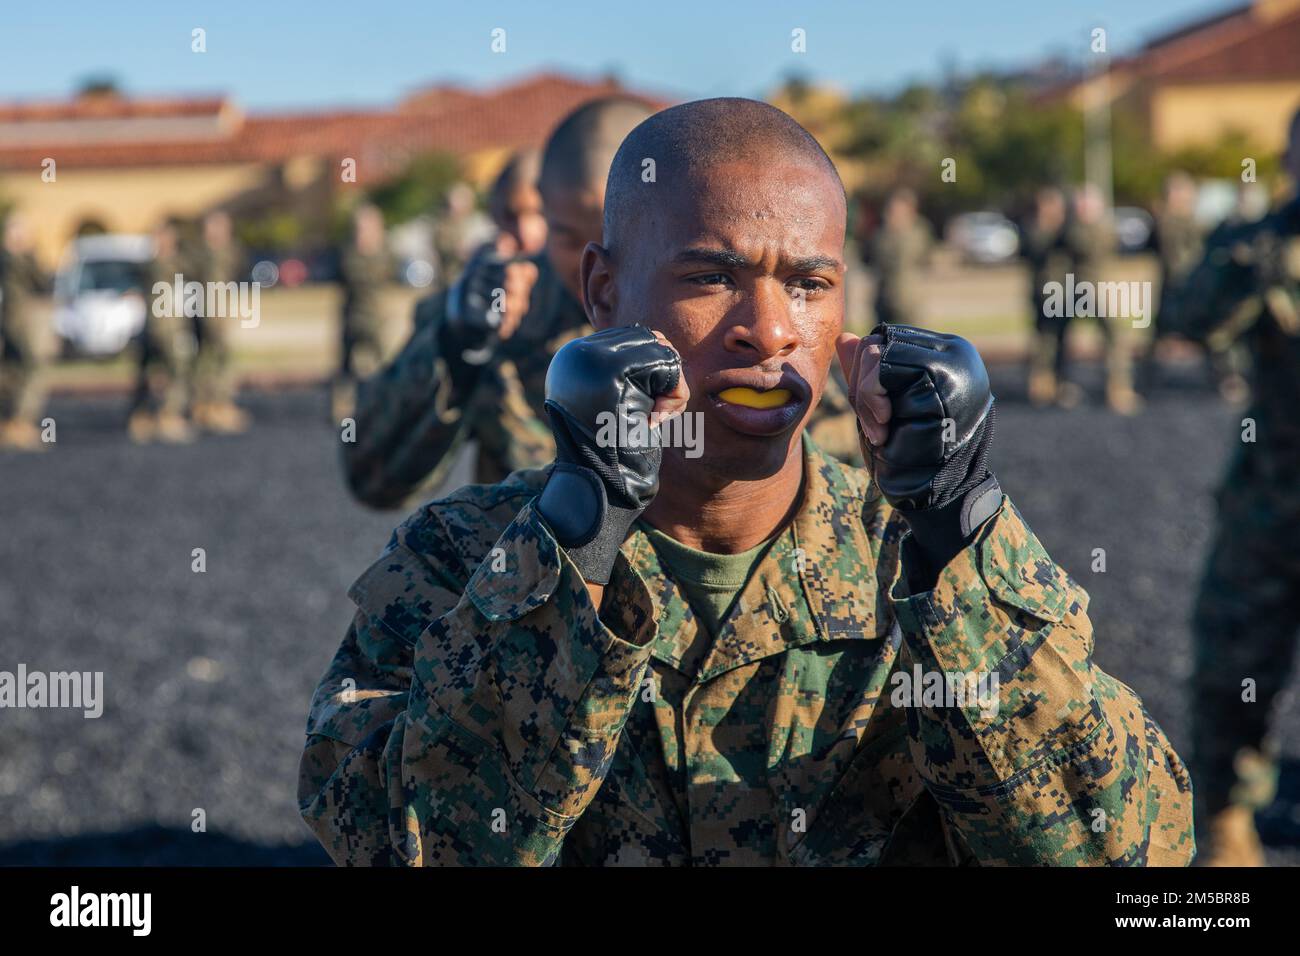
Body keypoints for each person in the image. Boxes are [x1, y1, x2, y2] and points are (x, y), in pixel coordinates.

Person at [300, 98, 1193, 867]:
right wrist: (570, 549)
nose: (768, 332)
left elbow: (1128, 854)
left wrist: (960, 530)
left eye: (809, 283)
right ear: (603, 293)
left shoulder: (918, 563)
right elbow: (395, 839)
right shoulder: (457, 559)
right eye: (709, 277)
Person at [340, 98, 644, 509]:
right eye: (570, 239)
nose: (594, 266)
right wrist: (455, 347)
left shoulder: (713, 314)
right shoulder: (502, 313)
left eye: (613, 239)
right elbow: (372, 478)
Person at [1172, 107, 1300, 867]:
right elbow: (1190, 318)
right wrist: (1257, 259)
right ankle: (1225, 820)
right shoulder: (1260, 242)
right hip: (1271, 499)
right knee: (1233, 665)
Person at [1063, 185, 1141, 414]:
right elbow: (1091, 246)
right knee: (1063, 336)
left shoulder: (1094, 228)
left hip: (1096, 288)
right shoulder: (1079, 230)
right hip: (1084, 288)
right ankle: (1065, 385)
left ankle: (1116, 388)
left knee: (1113, 337)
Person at [128, 218, 194, 444]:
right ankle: (165, 416)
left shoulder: (168, 263)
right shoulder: (158, 264)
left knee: (160, 370)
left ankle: (151, 415)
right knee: (171, 369)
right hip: (162, 327)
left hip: (168, 324)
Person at [1139, 172, 1205, 391]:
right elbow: (1152, 245)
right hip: (1169, 284)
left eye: (1179, 192)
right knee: (1159, 333)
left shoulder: (1193, 221)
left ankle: (1223, 378)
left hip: (1192, 284)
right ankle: (1148, 379)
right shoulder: (1163, 221)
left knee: (1208, 329)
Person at [190, 210, 249, 434]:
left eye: (222, 227)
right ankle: (205, 406)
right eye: (213, 227)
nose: (217, 232)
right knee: (207, 360)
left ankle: (221, 405)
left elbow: (237, 272)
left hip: (221, 310)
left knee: (222, 359)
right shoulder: (200, 253)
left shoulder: (232, 250)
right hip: (204, 311)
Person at [332, 204, 392, 422]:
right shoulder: (348, 252)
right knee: (346, 367)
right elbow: (352, 276)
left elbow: (385, 274)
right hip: (352, 315)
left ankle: (379, 405)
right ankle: (341, 410)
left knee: (380, 364)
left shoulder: (384, 251)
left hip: (375, 316)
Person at [0, 214, 51, 451]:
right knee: (32, 366)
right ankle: (20, 420)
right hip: (17, 322)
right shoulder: (10, 259)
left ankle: (12, 421)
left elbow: (43, 282)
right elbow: (40, 281)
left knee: (13, 368)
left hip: (16, 321)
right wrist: (27, 251)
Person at [1021, 187, 1073, 407]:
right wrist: (1046, 224)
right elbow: (1035, 249)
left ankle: (1060, 383)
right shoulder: (1033, 229)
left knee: (1061, 340)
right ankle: (1040, 385)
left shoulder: (1068, 230)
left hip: (1063, 293)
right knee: (1043, 341)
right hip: (1042, 294)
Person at [862, 187, 932, 327]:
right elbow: (868, 258)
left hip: (909, 298)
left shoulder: (918, 232)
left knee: (913, 342)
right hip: (883, 297)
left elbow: (923, 258)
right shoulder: (879, 233)